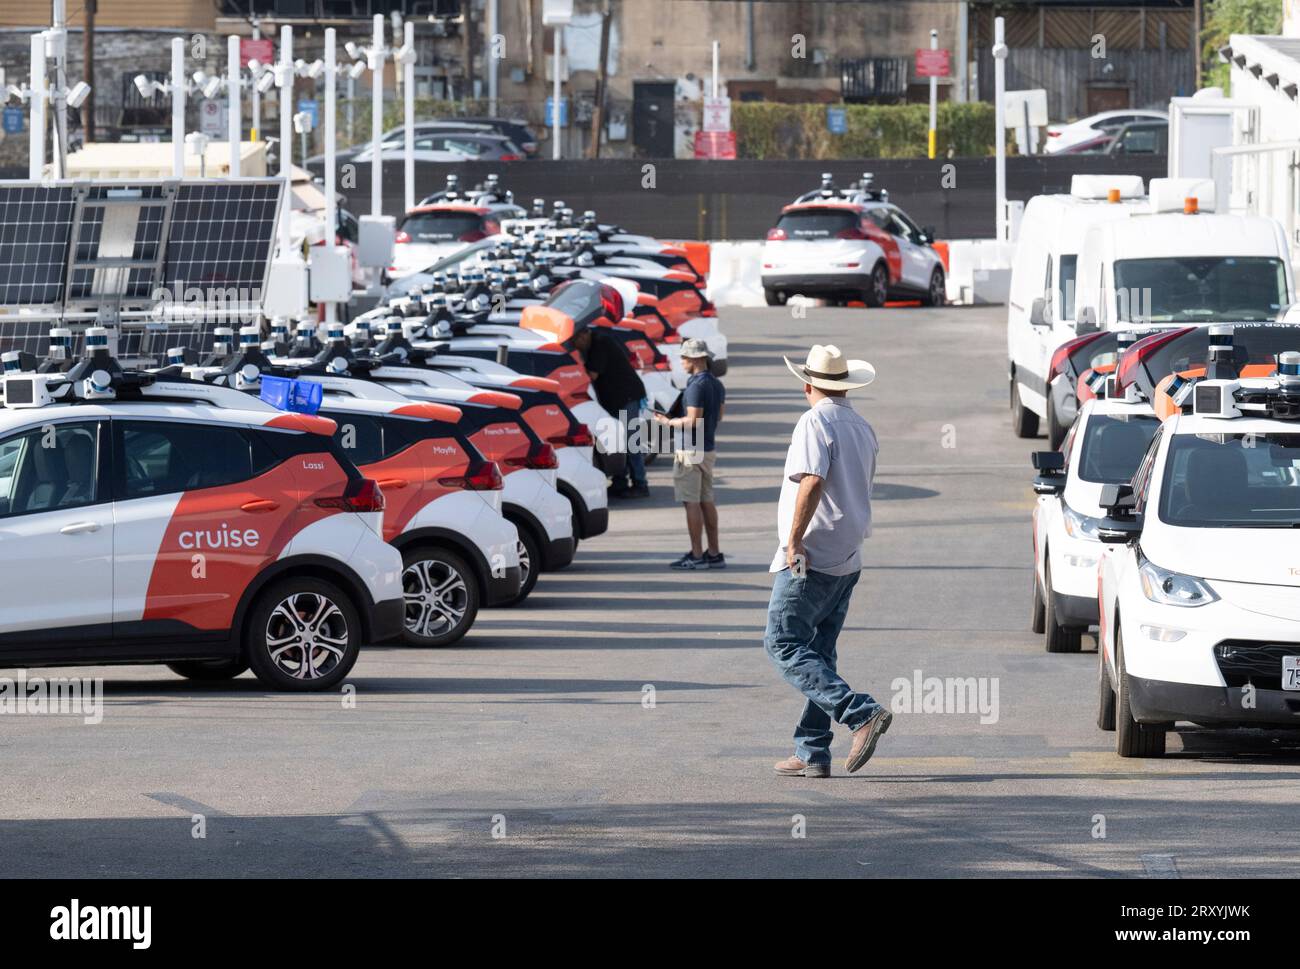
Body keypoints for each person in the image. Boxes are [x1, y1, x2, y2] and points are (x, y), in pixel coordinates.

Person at [763, 344, 892, 778]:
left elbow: (813, 481)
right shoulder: (861, 425)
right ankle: (813, 750)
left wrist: (793, 541)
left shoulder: (814, 421)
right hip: (848, 554)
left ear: (807, 385)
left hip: (811, 554)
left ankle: (859, 712)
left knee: (781, 643)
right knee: (820, 650)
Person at [654, 338, 725, 570]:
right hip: (708, 448)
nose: (682, 362)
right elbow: (719, 417)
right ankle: (714, 553)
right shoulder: (716, 384)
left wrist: (668, 421)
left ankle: (696, 555)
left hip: (690, 449)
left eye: (684, 357)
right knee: (706, 501)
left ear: (696, 359)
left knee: (691, 502)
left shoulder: (696, 386)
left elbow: (694, 420)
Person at [572, 325, 649, 499]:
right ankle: (620, 482)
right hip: (615, 400)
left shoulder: (600, 342)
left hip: (626, 397)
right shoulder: (592, 345)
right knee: (618, 442)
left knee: (630, 442)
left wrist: (573, 369)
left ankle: (640, 484)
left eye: (575, 341)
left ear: (584, 335)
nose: (576, 346)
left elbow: (593, 374)